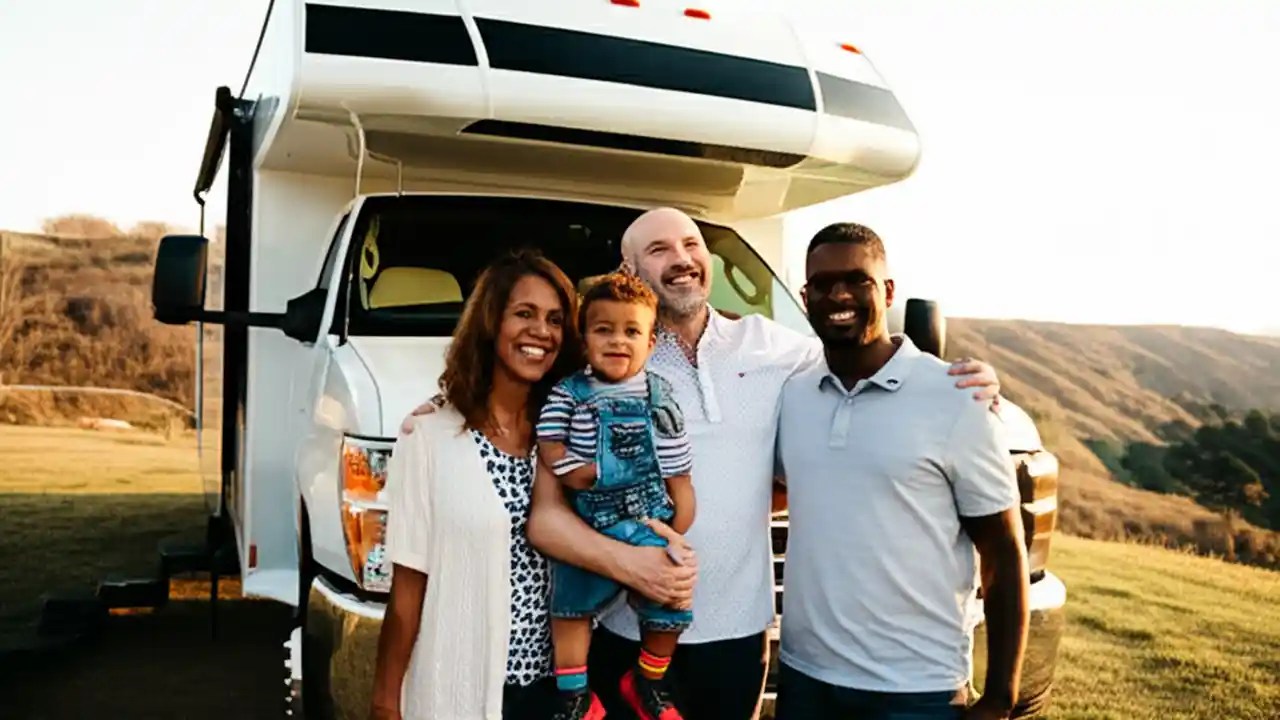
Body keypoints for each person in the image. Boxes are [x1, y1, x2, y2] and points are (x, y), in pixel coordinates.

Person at [403, 207, 1000, 719]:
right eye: (659, 249)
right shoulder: (606, 356)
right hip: (624, 629)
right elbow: (519, 393)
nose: (682, 258)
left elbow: (862, 365)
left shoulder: (780, 351)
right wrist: (445, 406)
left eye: (691, 243)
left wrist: (970, 381)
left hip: (739, 635)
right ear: (629, 271)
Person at [772, 222, 1030, 720]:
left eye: (857, 280)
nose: (838, 295)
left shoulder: (956, 397)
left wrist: (1001, 697)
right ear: (805, 297)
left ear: (888, 291)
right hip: (806, 680)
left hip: (917, 689)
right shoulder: (795, 394)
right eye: (822, 284)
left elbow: (1002, 551)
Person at [369, 250, 596, 720]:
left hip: (560, 694)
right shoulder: (430, 436)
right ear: (491, 322)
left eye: (555, 319)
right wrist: (385, 703)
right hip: (465, 688)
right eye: (524, 314)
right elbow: (407, 588)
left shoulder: (570, 434)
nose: (542, 331)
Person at [536, 273, 695, 720]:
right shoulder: (570, 393)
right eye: (603, 329)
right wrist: (576, 472)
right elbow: (549, 442)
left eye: (631, 331)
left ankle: (648, 678)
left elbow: (677, 465)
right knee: (570, 603)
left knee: (675, 592)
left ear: (650, 342)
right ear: (584, 339)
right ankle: (575, 695)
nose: (617, 341)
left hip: (645, 516)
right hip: (588, 519)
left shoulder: (659, 395)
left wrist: (678, 526)